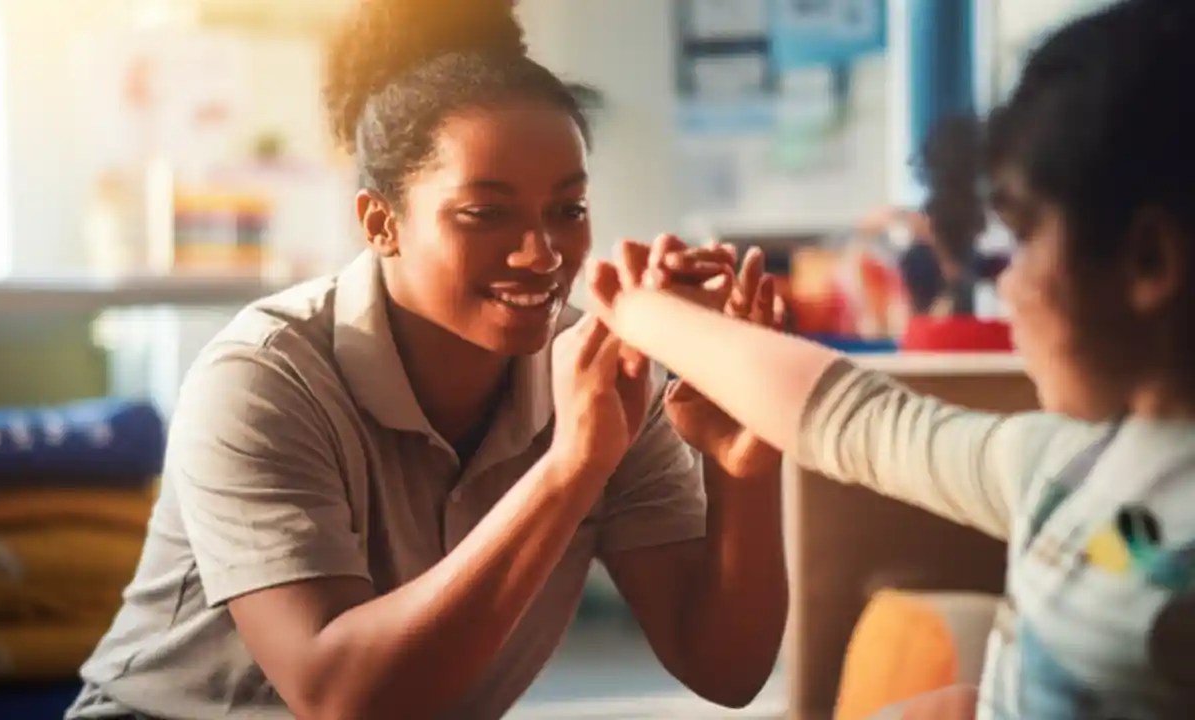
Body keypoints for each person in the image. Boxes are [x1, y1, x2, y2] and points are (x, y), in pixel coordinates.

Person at [66, 1, 786, 718]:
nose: (541, 255)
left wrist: (742, 464)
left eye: (567, 211)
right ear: (381, 223)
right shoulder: (262, 378)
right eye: (485, 214)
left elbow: (726, 669)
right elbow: (338, 695)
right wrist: (570, 469)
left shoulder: (604, 380)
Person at [589, 1, 1195, 718]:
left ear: (1149, 260)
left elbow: (852, 416)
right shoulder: (1065, 466)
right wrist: (657, 319)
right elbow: (858, 419)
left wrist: (637, 308)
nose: (1007, 280)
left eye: (1026, 236)